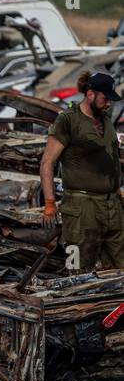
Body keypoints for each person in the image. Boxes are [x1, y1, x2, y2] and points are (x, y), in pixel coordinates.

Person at [40, 71, 124, 272]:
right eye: (105, 99)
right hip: (81, 208)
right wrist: (50, 203)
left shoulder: (105, 120)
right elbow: (47, 163)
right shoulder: (68, 120)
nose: (109, 104)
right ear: (90, 94)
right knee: (78, 268)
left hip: (112, 206)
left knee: (119, 268)